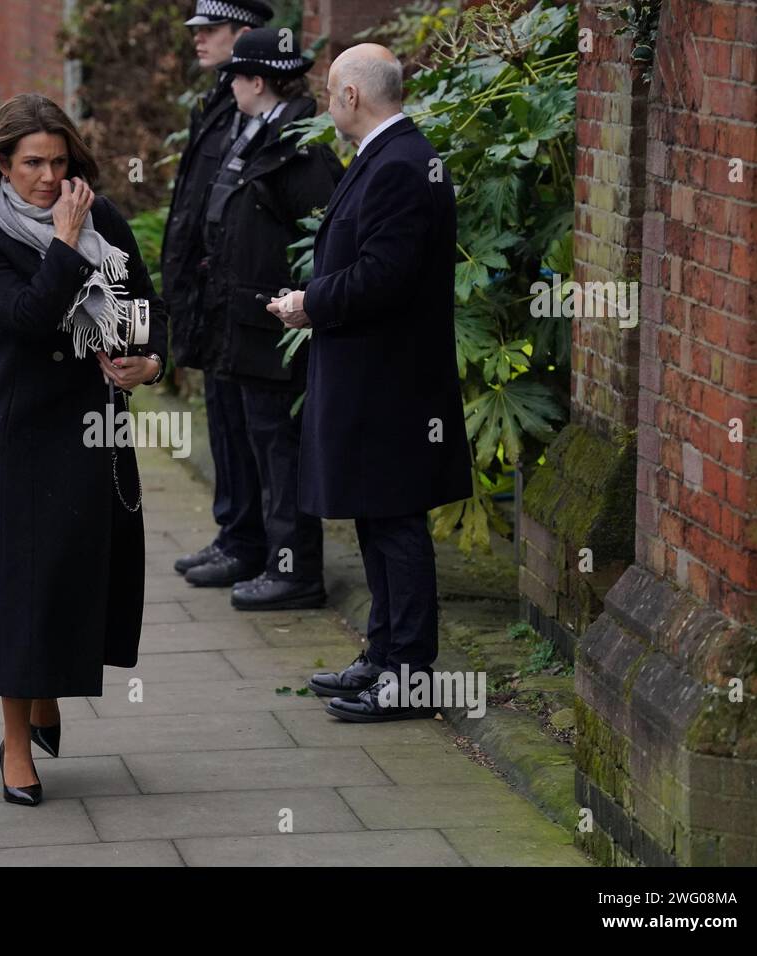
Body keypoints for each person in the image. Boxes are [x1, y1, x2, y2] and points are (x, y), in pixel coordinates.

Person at [0, 94, 169, 805]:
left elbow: (142, 307)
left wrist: (150, 361)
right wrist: (68, 246)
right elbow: (26, 320)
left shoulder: (98, 215)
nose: (49, 177)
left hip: (92, 429)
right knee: (17, 587)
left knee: (76, 572)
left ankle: (48, 694)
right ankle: (17, 746)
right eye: (32, 164)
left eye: (58, 161)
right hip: (14, 432)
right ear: (2, 166)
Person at [266, 44, 471, 721]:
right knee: (378, 521)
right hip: (373, 379)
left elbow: (385, 277)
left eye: (329, 94)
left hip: (392, 385)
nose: (327, 107)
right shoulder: (392, 158)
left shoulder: (403, 167)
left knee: (396, 524)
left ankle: (408, 674)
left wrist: (309, 304)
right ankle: (383, 656)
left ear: (351, 96)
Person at [196, 28, 343, 610]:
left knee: (281, 452)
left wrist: (297, 304)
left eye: (236, 75)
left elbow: (321, 236)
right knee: (265, 447)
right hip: (249, 326)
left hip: (277, 330)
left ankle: (296, 572)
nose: (228, 84)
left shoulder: (297, 148)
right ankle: (273, 560)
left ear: (257, 82)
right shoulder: (257, 133)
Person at [161, 0, 275, 588]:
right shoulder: (220, 102)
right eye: (198, 30)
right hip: (210, 295)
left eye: (211, 31)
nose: (198, 40)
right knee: (223, 419)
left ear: (245, 34)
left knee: (241, 423)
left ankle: (249, 543)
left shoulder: (255, 110)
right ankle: (233, 533)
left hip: (233, 296)